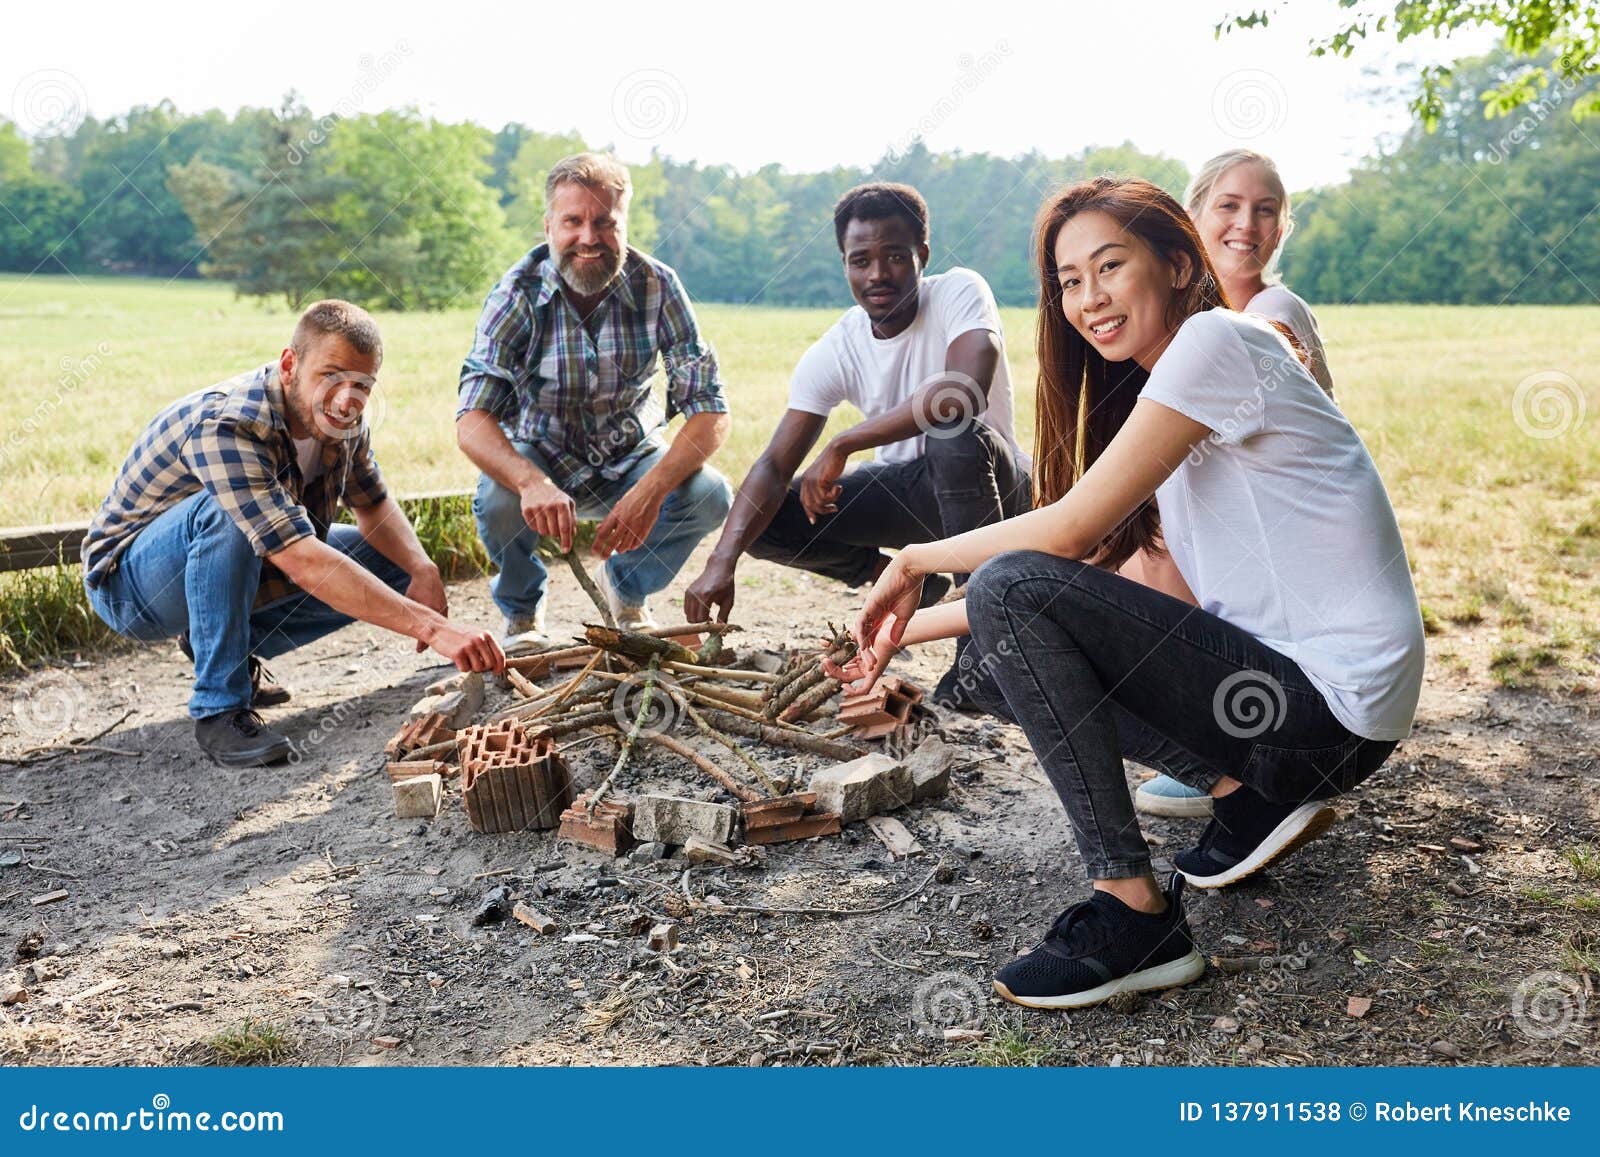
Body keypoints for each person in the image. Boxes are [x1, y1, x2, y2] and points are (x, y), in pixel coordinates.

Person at [827, 177, 1424, 1009]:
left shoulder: (1219, 342)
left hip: (1325, 713)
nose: (1089, 297)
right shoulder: (1176, 401)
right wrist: (894, 633)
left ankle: (1133, 910)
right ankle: (1243, 799)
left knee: (1011, 587)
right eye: (1070, 280)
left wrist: (912, 559)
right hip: (1302, 717)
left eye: (1110, 266)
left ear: (1180, 264)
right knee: (992, 659)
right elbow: (1103, 580)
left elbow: (1062, 539)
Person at [82, 301, 506, 768]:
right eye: (331, 375)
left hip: (231, 564)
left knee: (390, 561)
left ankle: (222, 645)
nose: (348, 398)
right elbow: (300, 557)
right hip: (132, 589)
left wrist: (421, 568)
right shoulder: (228, 424)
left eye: (362, 384)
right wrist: (434, 627)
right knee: (225, 513)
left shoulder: (342, 420)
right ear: (290, 365)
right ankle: (219, 709)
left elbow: (372, 504)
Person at [683, 182, 1029, 705]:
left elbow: (963, 391)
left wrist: (845, 441)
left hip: (997, 492)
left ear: (922, 257)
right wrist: (721, 561)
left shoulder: (959, 291)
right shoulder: (840, 345)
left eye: (894, 256)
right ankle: (900, 582)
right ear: (844, 264)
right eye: (859, 260)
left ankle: (982, 655)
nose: (877, 274)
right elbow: (774, 465)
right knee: (765, 515)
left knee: (951, 436)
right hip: (909, 497)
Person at [1133, 149, 1336, 817]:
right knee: (1138, 542)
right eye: (1228, 205)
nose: (1247, 222)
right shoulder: (1192, 320)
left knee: (1154, 550)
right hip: (1246, 523)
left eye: (1265, 209)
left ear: (1281, 230)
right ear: (1193, 218)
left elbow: (1277, 350)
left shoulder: (1275, 307)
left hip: (1290, 535)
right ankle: (1215, 739)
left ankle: (1222, 753)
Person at [458, 152, 733, 642]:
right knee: (497, 498)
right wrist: (531, 482)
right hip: (541, 454)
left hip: (632, 458)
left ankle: (627, 589)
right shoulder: (514, 293)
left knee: (710, 493)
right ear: (549, 226)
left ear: (624, 225)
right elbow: (472, 420)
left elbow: (710, 410)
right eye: (573, 221)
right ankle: (521, 615)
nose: (588, 238)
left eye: (604, 222)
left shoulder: (659, 286)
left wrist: (650, 493)